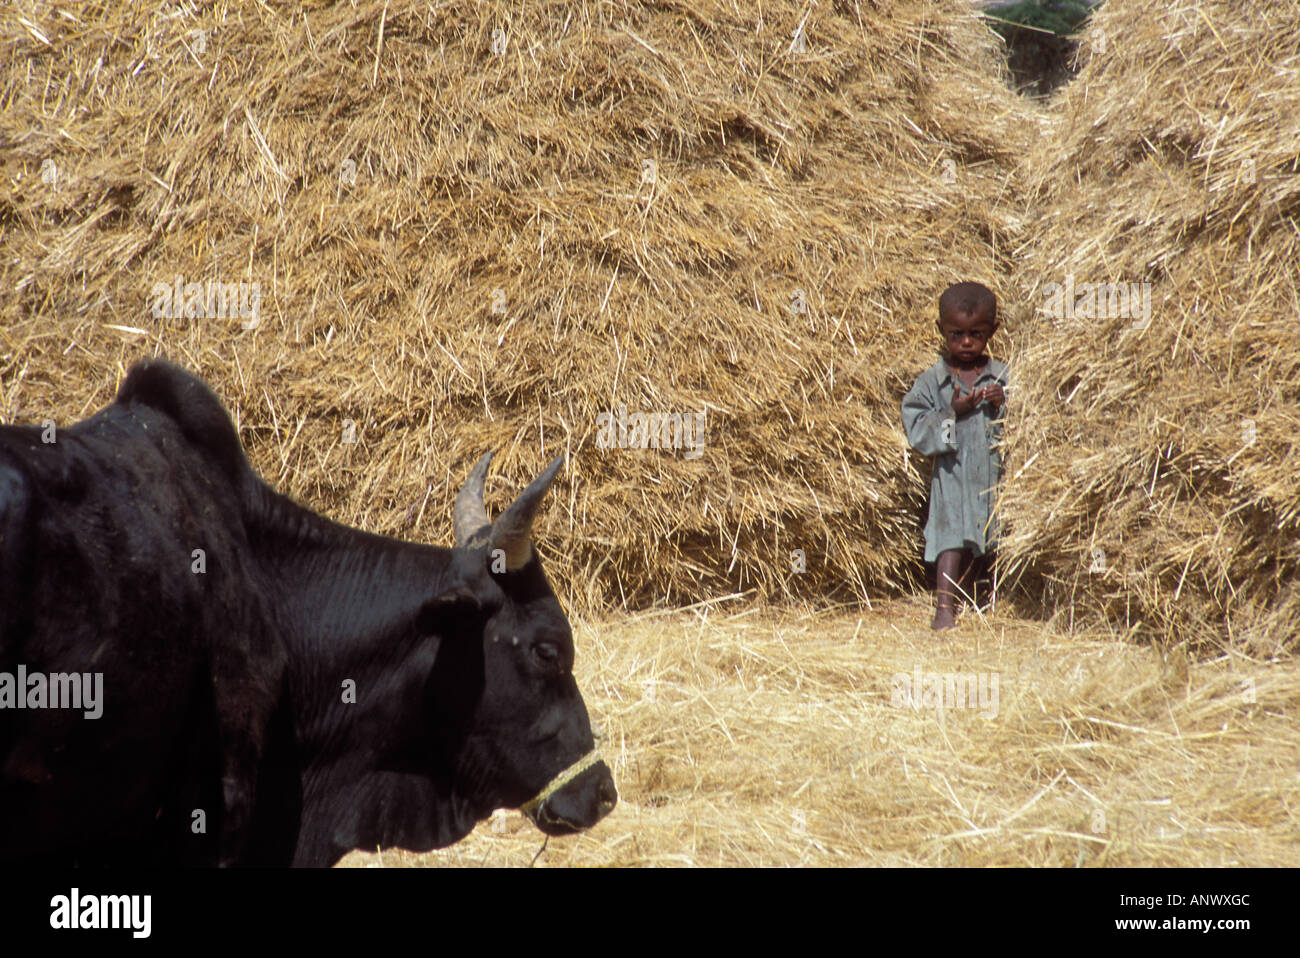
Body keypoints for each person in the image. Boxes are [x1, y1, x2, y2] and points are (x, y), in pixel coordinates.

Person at [901, 282, 1008, 631]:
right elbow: (916, 425)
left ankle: (987, 598)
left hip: (991, 475)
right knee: (950, 538)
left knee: (991, 536)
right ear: (941, 331)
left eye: (976, 334)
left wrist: (1001, 402)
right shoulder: (933, 382)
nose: (965, 343)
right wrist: (953, 412)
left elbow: (1027, 422)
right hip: (951, 476)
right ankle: (944, 607)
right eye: (956, 334)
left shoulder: (1003, 376)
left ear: (992, 329)